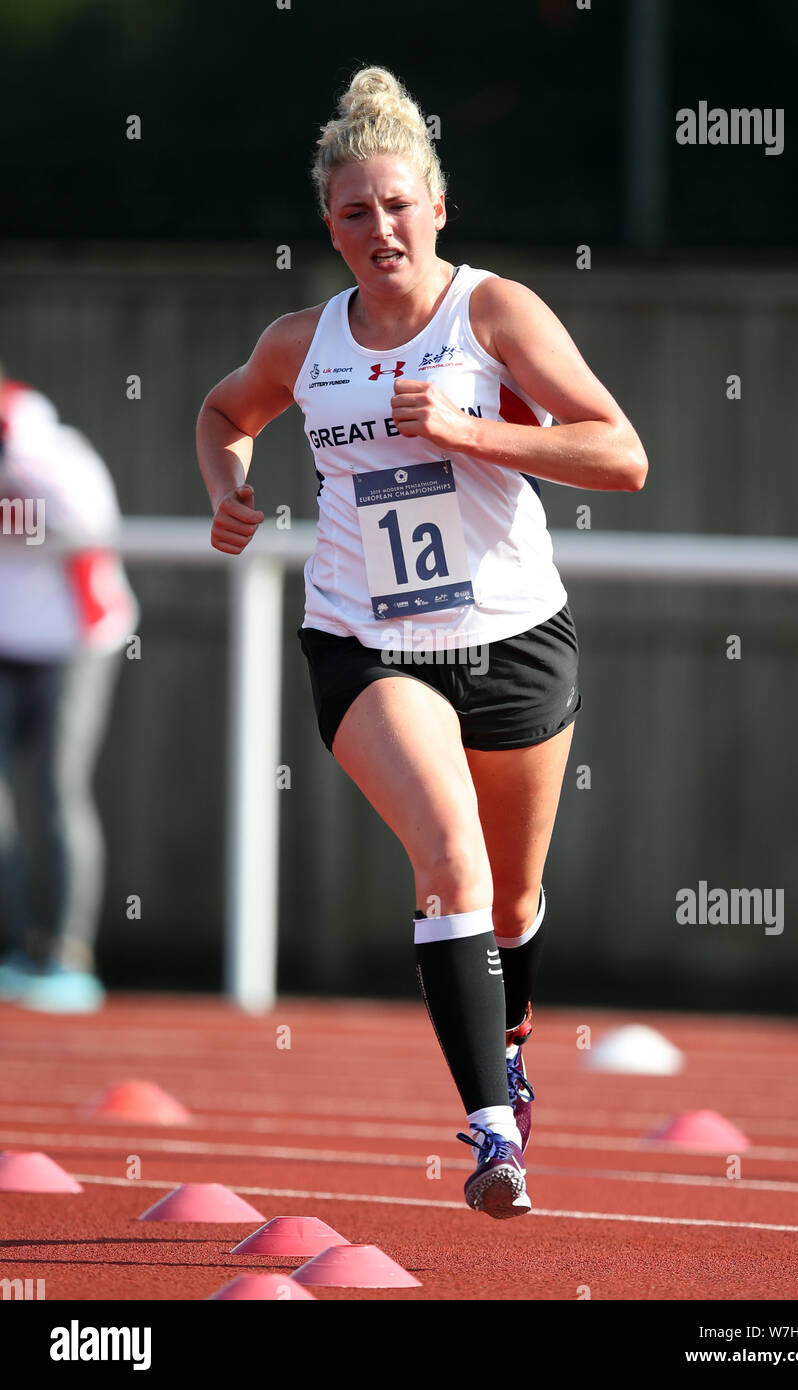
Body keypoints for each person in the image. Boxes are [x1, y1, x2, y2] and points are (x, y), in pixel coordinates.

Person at [196, 65, 647, 1218]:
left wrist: (472, 429)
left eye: (398, 204)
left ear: (437, 206)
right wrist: (228, 489)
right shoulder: (304, 340)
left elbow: (620, 451)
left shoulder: (494, 313)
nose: (380, 227)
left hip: (515, 638)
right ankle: (494, 1129)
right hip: (367, 641)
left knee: (512, 897)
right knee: (449, 854)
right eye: (355, 212)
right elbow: (224, 410)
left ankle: (514, 1035)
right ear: (332, 229)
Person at [0, 368, 138, 1012]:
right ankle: (16, 946)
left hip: (73, 645)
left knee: (57, 791)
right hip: (7, 647)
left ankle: (67, 951)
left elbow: (82, 527)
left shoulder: (58, 454)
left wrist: (15, 489)